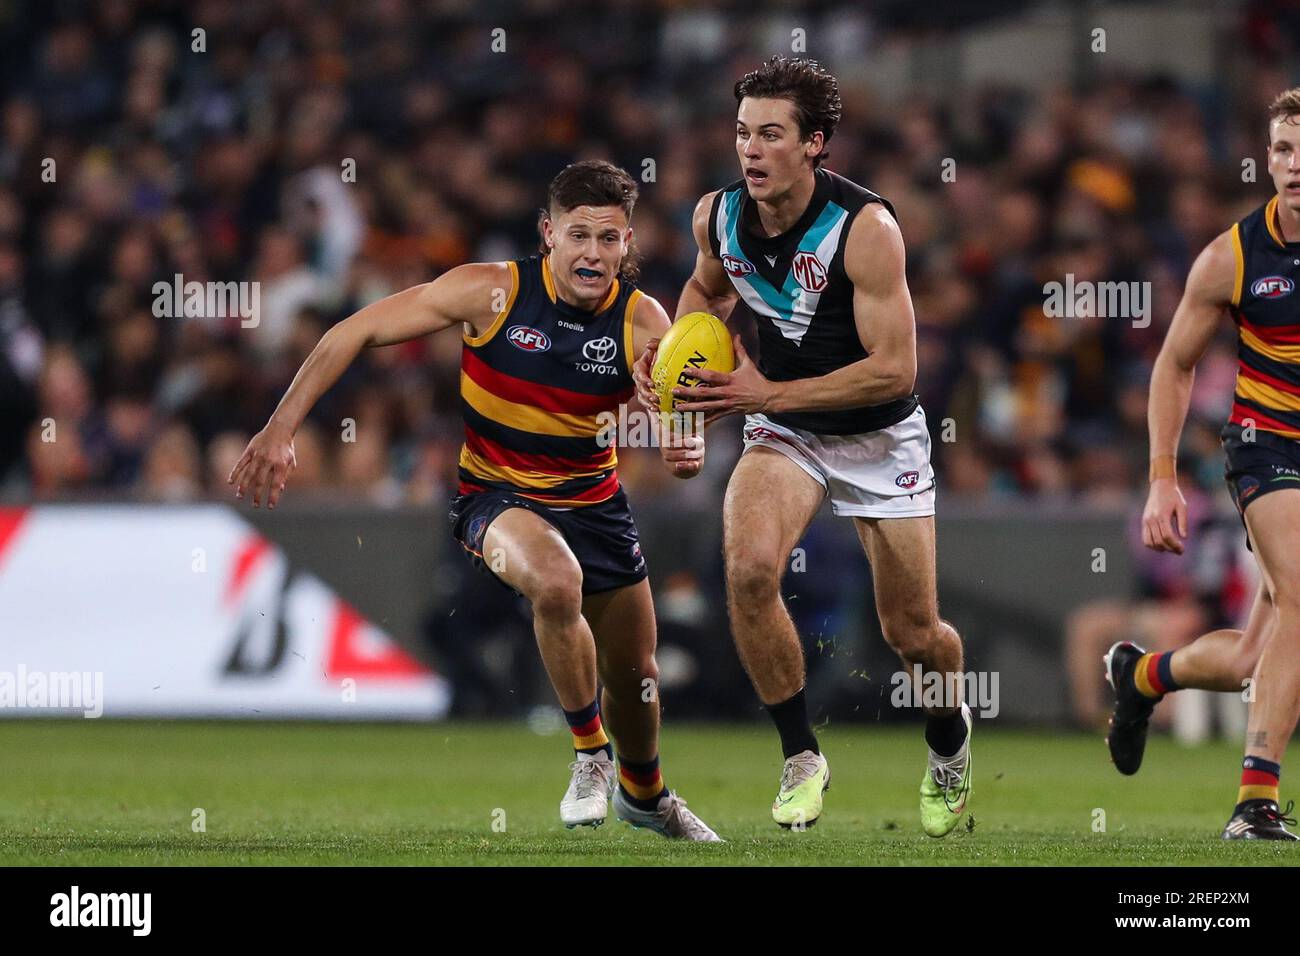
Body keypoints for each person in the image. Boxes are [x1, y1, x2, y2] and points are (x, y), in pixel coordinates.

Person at [230, 160, 719, 841]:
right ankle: (589, 756)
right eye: (579, 235)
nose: (593, 253)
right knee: (555, 582)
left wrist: (682, 442)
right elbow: (352, 332)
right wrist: (280, 429)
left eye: (609, 239)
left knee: (636, 674)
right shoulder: (489, 293)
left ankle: (646, 793)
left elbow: (680, 427)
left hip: (596, 504)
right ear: (548, 234)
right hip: (497, 495)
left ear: (628, 244)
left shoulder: (643, 323)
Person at [634, 57, 971, 836]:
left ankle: (949, 744)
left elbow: (895, 371)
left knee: (912, 633)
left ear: (814, 143)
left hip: (880, 434)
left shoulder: (866, 229)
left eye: (772, 134)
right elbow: (707, 296)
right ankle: (800, 756)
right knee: (748, 570)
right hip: (784, 430)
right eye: (744, 132)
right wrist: (684, 389)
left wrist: (763, 393)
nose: (751, 150)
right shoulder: (716, 217)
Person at [1109, 88, 1300, 840]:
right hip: (1266, 447)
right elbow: (1174, 366)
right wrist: (1161, 477)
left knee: (1255, 655)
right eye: (1284, 149)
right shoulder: (1232, 256)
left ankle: (1142, 675)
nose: (1295, 165)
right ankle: (1256, 800)